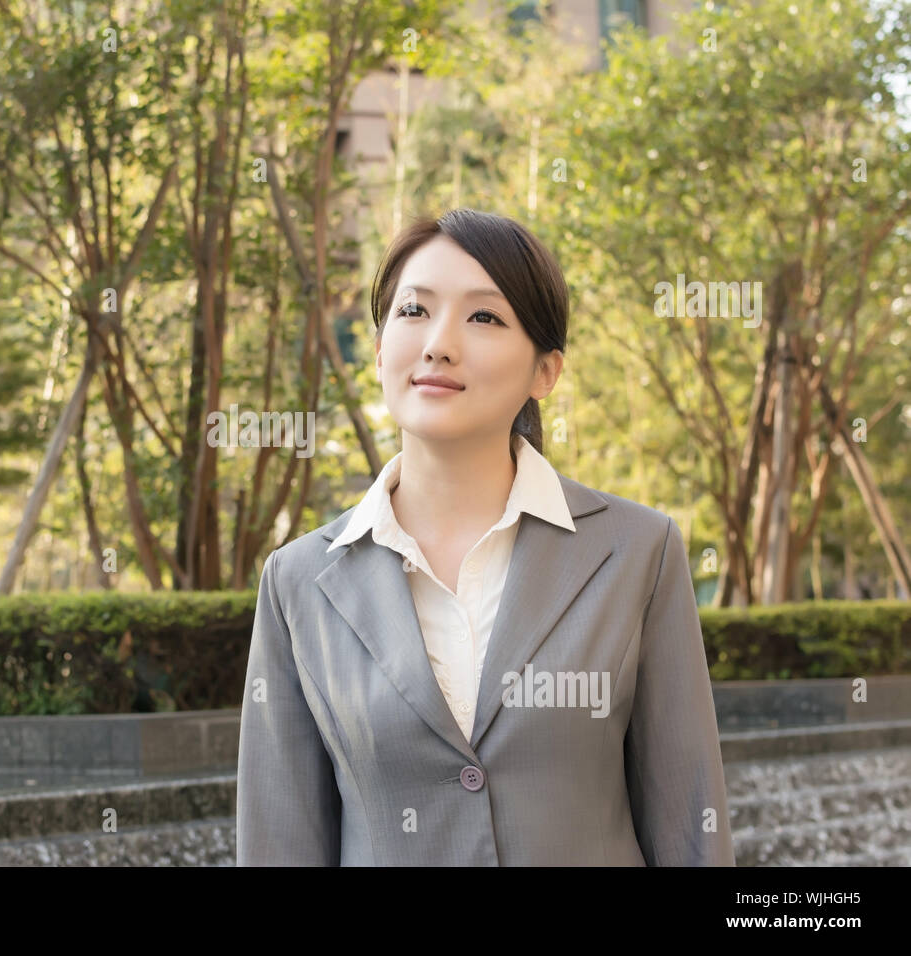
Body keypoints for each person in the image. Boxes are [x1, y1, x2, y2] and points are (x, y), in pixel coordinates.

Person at [235, 208, 734, 866]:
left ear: (545, 372)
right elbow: (280, 840)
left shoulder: (638, 551)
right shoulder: (297, 581)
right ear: (380, 346)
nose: (440, 344)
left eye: (484, 317)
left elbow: (690, 827)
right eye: (414, 311)